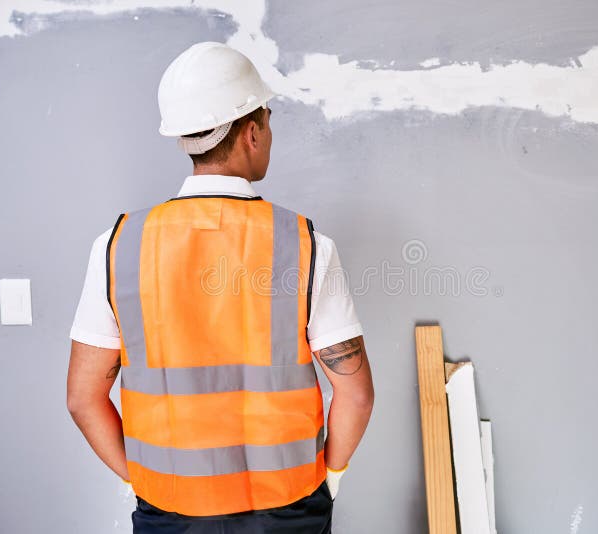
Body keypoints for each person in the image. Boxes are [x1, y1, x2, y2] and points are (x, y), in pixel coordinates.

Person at [66, 41, 375, 533]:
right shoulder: (305, 244)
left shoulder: (118, 246)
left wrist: (140, 481)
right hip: (289, 506)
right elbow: (355, 395)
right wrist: (331, 476)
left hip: (170, 510)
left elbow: (84, 398)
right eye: (269, 121)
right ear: (252, 133)